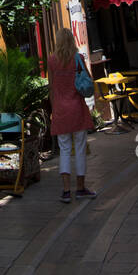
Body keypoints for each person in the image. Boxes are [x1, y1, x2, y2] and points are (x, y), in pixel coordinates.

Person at [47, 27, 96, 204]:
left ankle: (66, 190)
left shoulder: (52, 60)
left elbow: (51, 88)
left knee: (65, 150)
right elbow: (88, 80)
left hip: (60, 110)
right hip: (77, 109)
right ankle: (81, 188)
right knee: (80, 149)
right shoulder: (78, 59)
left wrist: (54, 110)